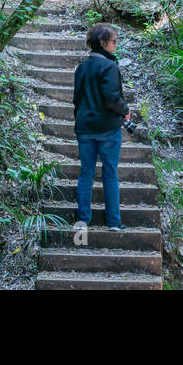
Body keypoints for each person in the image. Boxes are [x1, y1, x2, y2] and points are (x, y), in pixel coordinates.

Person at [72, 23, 129, 230]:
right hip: (108, 128)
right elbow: (112, 97)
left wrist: (81, 118)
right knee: (110, 173)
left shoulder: (81, 68)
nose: (115, 45)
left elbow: (76, 99)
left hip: (85, 128)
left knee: (86, 174)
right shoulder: (110, 66)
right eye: (114, 41)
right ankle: (113, 222)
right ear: (103, 43)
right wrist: (125, 111)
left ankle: (83, 220)